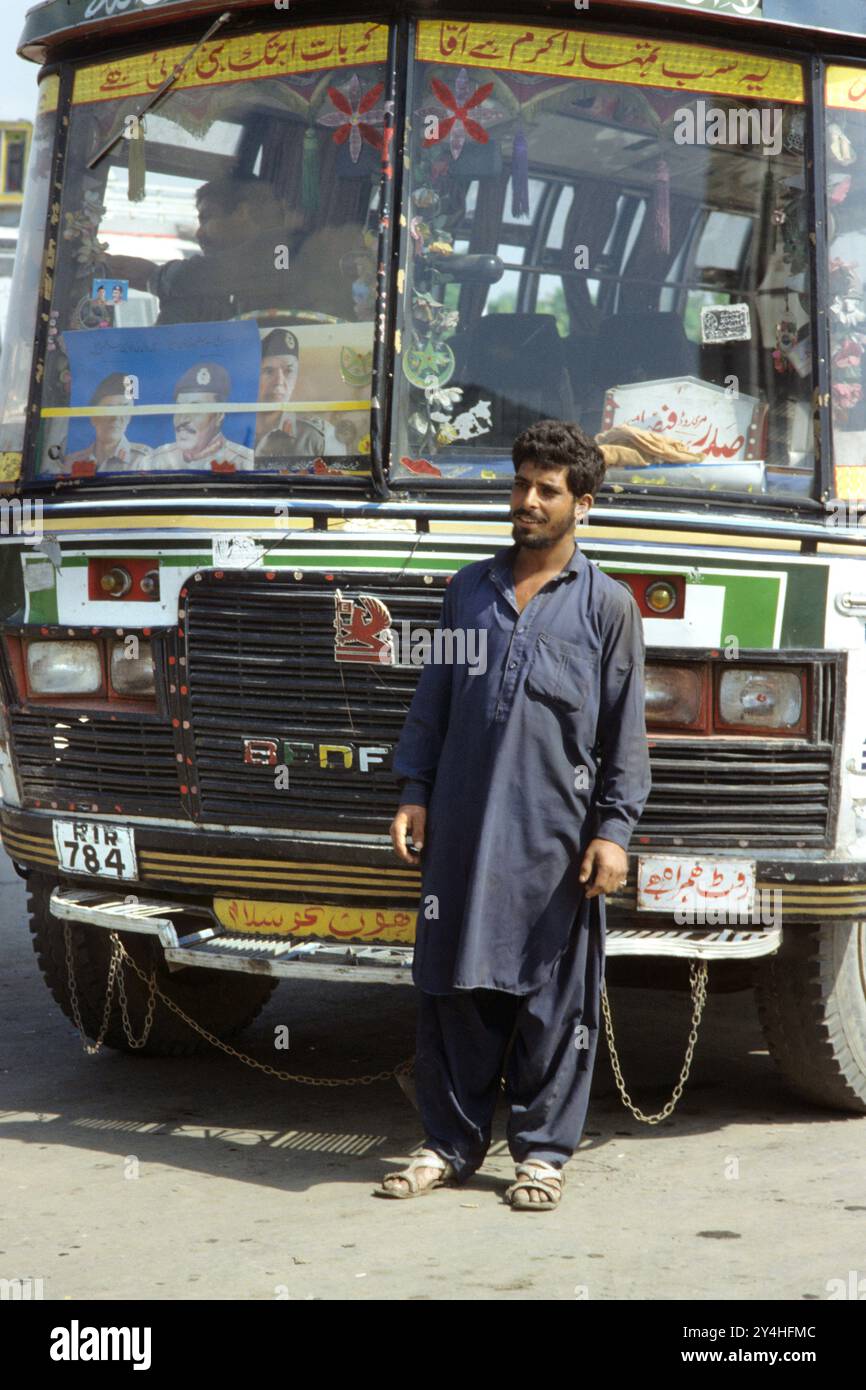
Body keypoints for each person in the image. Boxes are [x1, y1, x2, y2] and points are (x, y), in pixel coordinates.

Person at [381, 419, 651, 1210]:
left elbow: (623, 731)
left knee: (551, 999)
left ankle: (541, 1156)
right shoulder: (470, 591)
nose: (527, 501)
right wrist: (413, 791)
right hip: (464, 832)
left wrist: (613, 831)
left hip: (554, 841)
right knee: (454, 991)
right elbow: (433, 703)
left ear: (582, 504)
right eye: (521, 484)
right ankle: (448, 1144)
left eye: (547, 490)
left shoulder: (607, 608)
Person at [148, 362, 254, 471]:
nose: (182, 419)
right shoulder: (157, 461)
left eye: (195, 409)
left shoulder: (246, 463)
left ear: (219, 416)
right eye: (178, 408)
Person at [56, 373, 151, 474]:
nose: (116, 418)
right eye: (108, 409)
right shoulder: (73, 463)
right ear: (93, 417)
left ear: (130, 416)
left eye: (124, 409)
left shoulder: (144, 459)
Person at [254, 328, 326, 460]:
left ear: (296, 376)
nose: (279, 382)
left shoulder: (310, 438)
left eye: (288, 371)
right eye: (269, 371)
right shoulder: (235, 430)